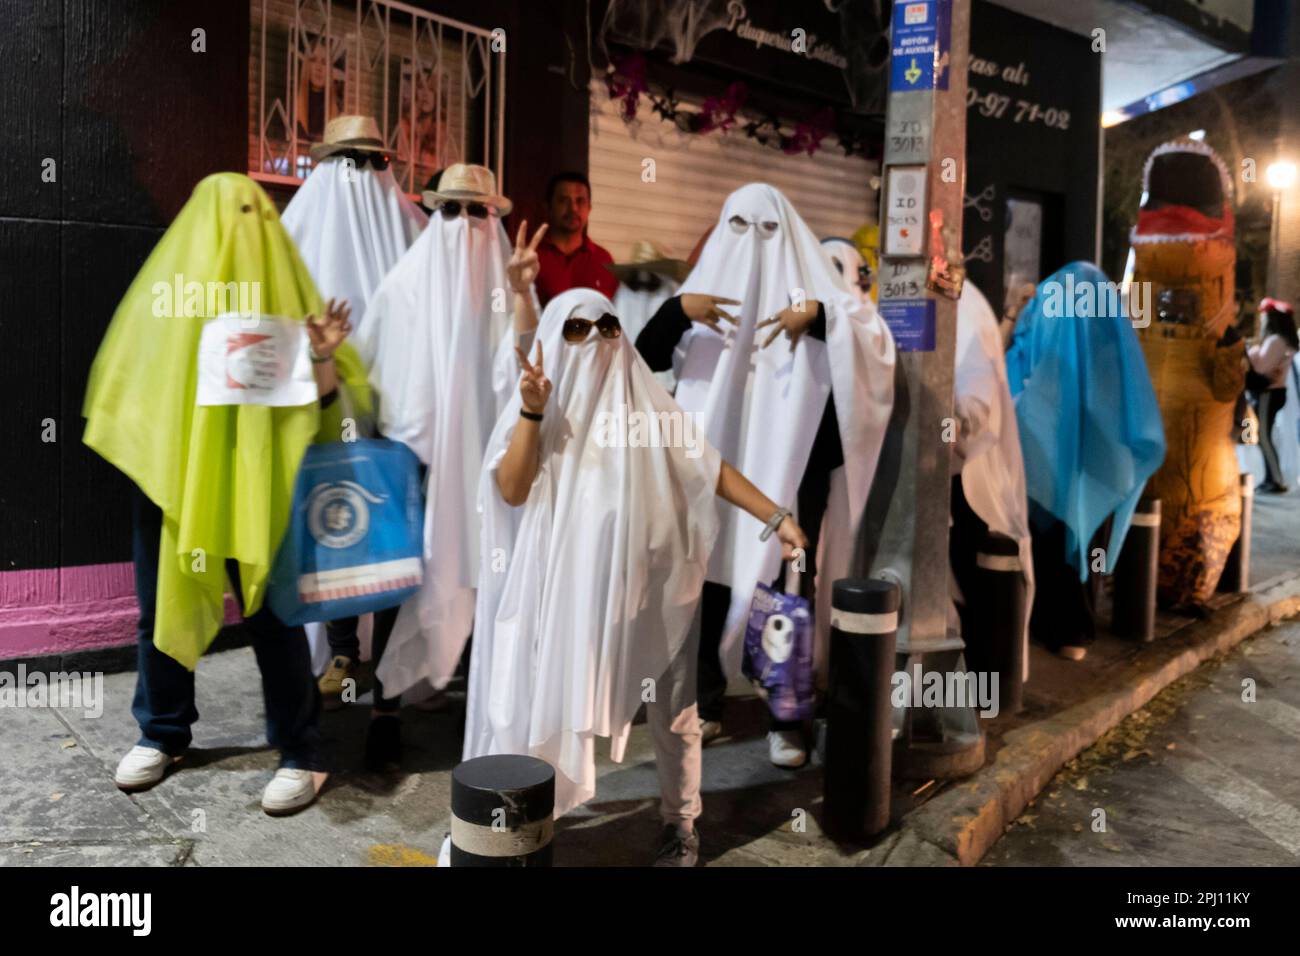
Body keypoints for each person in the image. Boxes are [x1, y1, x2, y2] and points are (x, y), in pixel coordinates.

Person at [464, 288, 808, 866]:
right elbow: (512, 489)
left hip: (658, 590)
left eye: (607, 328)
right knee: (542, 694)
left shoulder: (648, 404)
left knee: (674, 713)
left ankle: (681, 822)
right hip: (568, 598)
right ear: (554, 335)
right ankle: (522, 814)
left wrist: (776, 515)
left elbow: (712, 466)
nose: (594, 340)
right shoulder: (540, 409)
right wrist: (531, 410)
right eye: (576, 329)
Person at [83, 172, 370, 814]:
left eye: (255, 214)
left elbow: (327, 409)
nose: (243, 229)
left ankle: (302, 748)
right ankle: (162, 732)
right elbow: (130, 385)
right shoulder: (168, 298)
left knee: (273, 611)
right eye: (228, 214)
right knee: (163, 607)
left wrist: (322, 356)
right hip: (175, 479)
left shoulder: (289, 293)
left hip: (261, 482)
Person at [636, 184, 896, 768]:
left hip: (788, 476)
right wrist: (679, 311)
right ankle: (705, 698)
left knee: (786, 587)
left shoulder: (823, 297)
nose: (752, 244)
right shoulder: (701, 299)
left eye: (768, 230)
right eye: (739, 227)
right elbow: (642, 361)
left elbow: (875, 352)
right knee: (707, 574)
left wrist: (821, 316)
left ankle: (787, 713)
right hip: (714, 469)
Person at [350, 163, 545, 770]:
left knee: (491, 573)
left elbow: (528, 365)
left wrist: (519, 294)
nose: (466, 223)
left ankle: (474, 697)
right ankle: (385, 708)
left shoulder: (509, 285)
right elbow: (374, 374)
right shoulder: (404, 285)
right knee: (400, 583)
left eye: (479, 211)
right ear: (435, 215)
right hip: (413, 463)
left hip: (492, 466)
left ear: (495, 218)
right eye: (453, 210)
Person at [281, 113, 428, 701]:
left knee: (396, 527)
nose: (362, 174)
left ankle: (390, 670)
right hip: (326, 405)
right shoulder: (294, 234)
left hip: (400, 407)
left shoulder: (415, 229)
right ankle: (343, 651)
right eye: (350, 161)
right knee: (335, 520)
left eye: (374, 161)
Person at [1006, 262, 1166, 658]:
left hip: (1042, 469)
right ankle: (1076, 632)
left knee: (1048, 541)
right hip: (1101, 473)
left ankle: (1051, 627)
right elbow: (1136, 414)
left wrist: (1013, 312)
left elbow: (1008, 363)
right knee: (1088, 541)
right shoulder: (1112, 345)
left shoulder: (1048, 347)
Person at [1130, 138, 1245, 611]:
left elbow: (1132, 333)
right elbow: (1227, 379)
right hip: (1201, 460)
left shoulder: (1142, 273)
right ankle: (1179, 587)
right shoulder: (1218, 278)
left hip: (1141, 435)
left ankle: (1130, 575)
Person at [948, 280, 1033, 678]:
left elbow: (972, 418)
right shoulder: (972, 325)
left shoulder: (971, 334)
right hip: (952, 478)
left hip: (967, 482)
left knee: (969, 575)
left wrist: (946, 417)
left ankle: (978, 679)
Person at [534, 171, 618, 306]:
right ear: (548, 207)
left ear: (589, 208)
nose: (573, 208)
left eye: (580, 201)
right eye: (563, 200)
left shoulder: (603, 260)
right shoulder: (531, 257)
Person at [1248, 298, 1298, 493]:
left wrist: (1251, 352)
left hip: (1269, 393)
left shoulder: (1275, 340)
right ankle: (1272, 478)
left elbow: (1261, 367)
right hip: (1273, 392)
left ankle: (1275, 480)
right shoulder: (1280, 340)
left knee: (1264, 437)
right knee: (1264, 436)